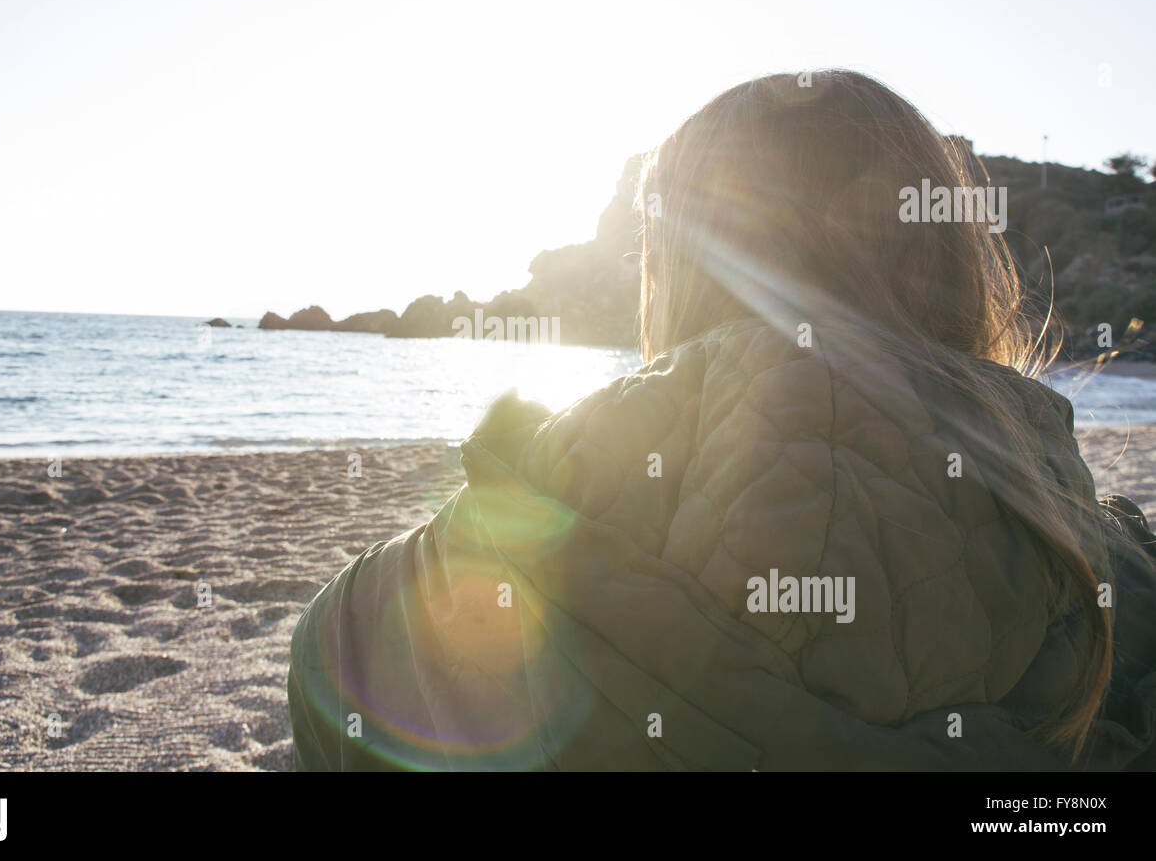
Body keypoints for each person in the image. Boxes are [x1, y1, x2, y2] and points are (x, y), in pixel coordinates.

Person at [287, 70, 1156, 770]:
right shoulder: (1109, 568)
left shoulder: (426, 580)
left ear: (670, 270)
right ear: (958, 266)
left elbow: (331, 675)